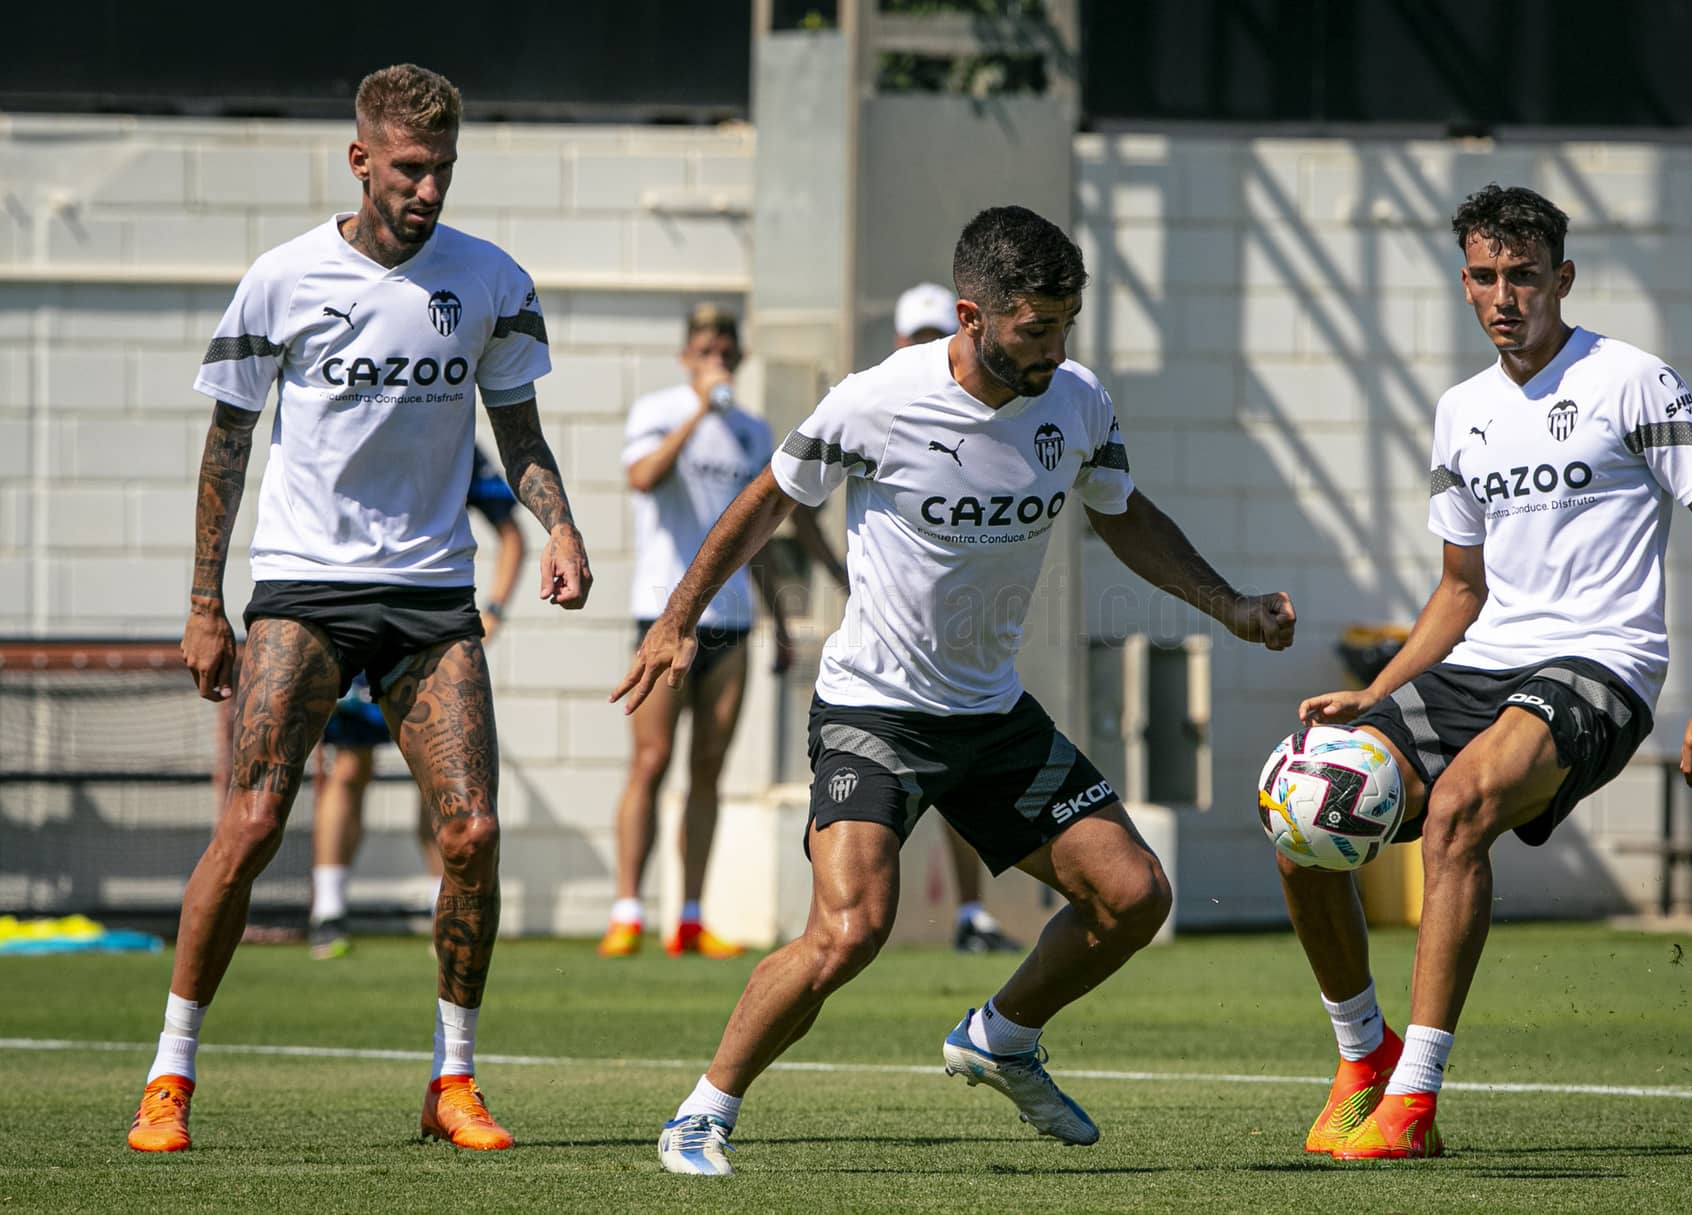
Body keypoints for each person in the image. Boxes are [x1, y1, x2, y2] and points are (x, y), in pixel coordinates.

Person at [614, 205, 1297, 1177]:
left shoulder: (1077, 402)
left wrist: (1227, 605)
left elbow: (1122, 514)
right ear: (973, 316)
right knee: (850, 930)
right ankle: (701, 1113)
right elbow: (767, 500)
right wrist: (679, 615)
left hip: (990, 716)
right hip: (874, 714)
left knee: (1134, 894)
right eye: (1037, 328)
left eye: (1067, 325)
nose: (1056, 348)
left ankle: (1003, 1036)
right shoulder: (878, 400)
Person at [128, 63, 592, 1155]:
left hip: (432, 594)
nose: (428, 190)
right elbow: (228, 444)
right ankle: (169, 1076)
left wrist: (562, 527)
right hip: (303, 589)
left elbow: (519, 431)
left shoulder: (491, 281)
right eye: (410, 168)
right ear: (360, 159)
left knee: (473, 832)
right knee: (250, 827)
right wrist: (205, 604)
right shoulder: (282, 279)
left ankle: (453, 1080)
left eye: (444, 170)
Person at [1278, 184, 1692, 1160]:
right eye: (1485, 277)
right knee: (1303, 812)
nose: (1505, 296)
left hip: (1602, 663)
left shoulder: (1631, 380)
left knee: (1461, 806)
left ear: (1563, 278)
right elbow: (1460, 589)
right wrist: (1377, 694)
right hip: (1484, 661)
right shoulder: (1460, 411)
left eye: (1523, 275)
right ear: (1464, 284)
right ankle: (1363, 1056)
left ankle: (1414, 1106)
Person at [598, 305, 820, 960]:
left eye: (726, 351)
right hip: (662, 616)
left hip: (733, 623)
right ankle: (627, 910)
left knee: (709, 768)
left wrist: (781, 619)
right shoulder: (659, 411)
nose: (716, 360)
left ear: (740, 357)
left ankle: (690, 917)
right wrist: (698, 411)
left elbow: (758, 534)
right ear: (686, 356)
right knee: (651, 759)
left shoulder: (754, 431)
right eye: (705, 350)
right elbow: (642, 477)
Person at [308, 447, 526, 960]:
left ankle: (443, 910)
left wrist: (494, 610)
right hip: (352, 623)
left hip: (427, 629)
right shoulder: (350, 430)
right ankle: (328, 910)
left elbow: (511, 532)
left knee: (441, 781)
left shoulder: (453, 439)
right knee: (349, 769)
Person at [893, 281, 1022, 954]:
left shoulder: (1000, 413)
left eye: (934, 335)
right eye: (916, 337)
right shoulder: (881, 403)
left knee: (958, 790)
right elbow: (789, 497)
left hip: (970, 657)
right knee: (874, 803)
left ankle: (971, 913)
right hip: (889, 661)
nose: (927, 348)